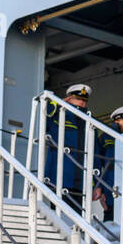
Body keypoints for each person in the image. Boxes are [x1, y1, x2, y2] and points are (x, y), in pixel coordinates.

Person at [43, 83, 96, 211]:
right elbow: (45, 118)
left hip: (82, 181)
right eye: (78, 99)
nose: (81, 103)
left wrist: (95, 183)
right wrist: (58, 102)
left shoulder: (89, 122)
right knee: (60, 215)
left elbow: (95, 152)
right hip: (61, 177)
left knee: (78, 219)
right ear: (69, 99)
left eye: (84, 100)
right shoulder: (59, 116)